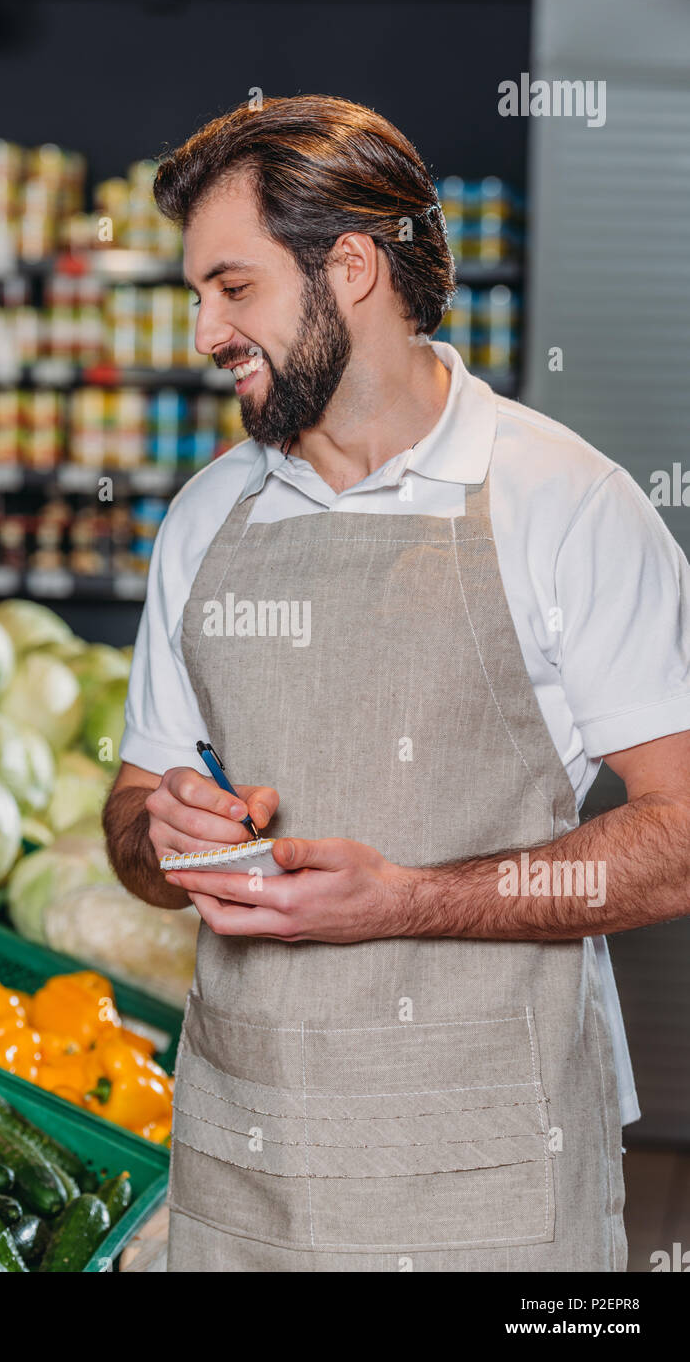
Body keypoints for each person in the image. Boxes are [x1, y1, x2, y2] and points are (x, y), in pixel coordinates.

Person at [103, 94, 690, 1272]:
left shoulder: (561, 503)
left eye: (234, 287)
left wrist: (409, 898)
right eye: (198, 296)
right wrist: (161, 830)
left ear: (352, 266)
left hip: (486, 1182)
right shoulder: (207, 519)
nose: (206, 332)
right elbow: (129, 835)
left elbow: (678, 837)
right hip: (241, 1168)